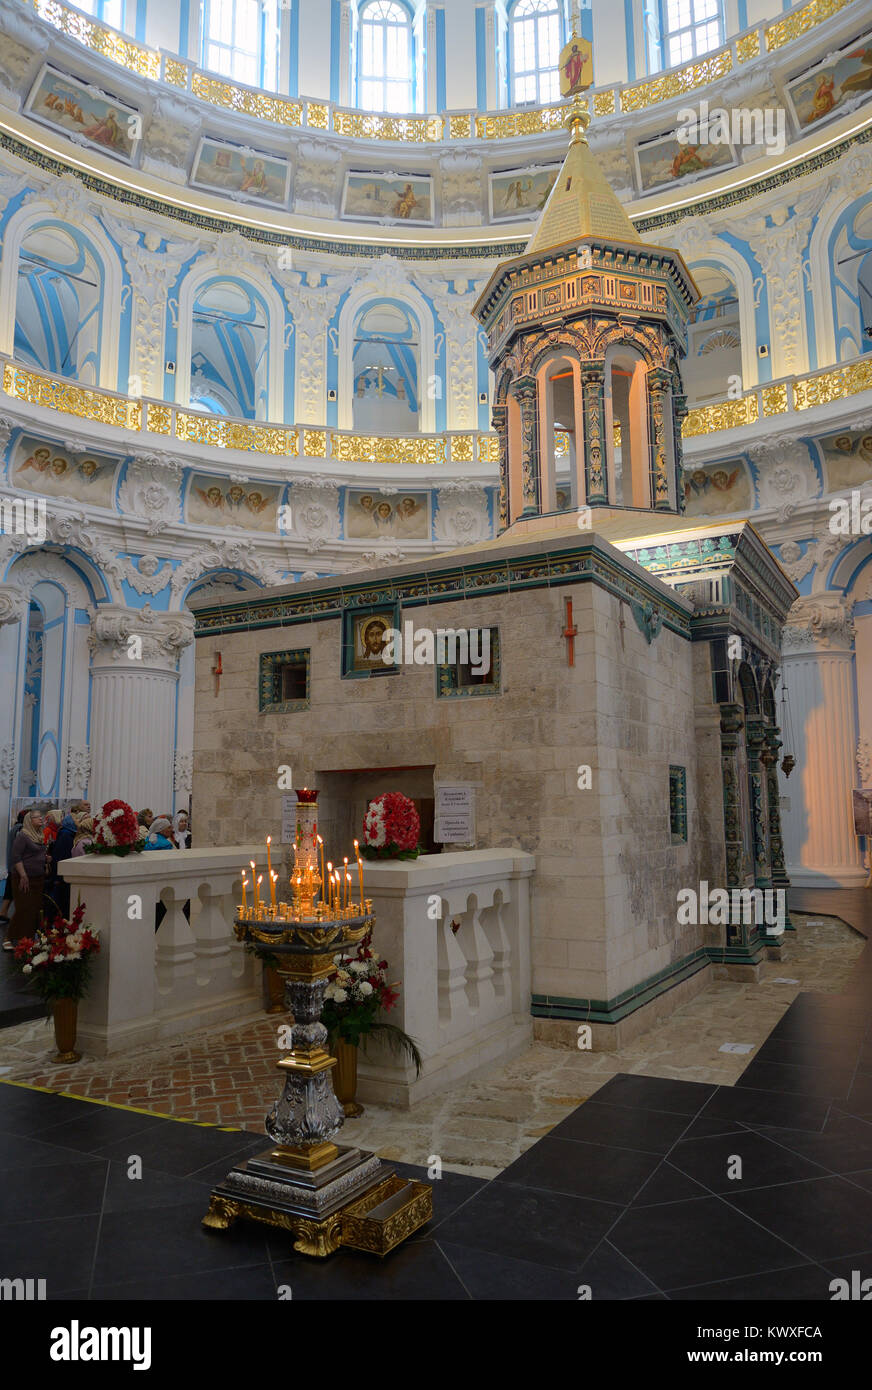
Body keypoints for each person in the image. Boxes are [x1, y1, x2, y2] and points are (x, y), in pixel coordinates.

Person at [8, 809, 47, 947]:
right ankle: (9, 937)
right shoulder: (23, 836)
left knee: (34, 909)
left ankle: (28, 938)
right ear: (29, 821)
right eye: (37, 817)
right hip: (24, 878)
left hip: (38, 877)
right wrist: (23, 874)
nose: (41, 819)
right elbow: (16, 857)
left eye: (41, 816)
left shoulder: (38, 834)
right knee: (23, 908)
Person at [0, 810, 26, 941]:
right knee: (15, 891)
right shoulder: (20, 830)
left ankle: (3, 911)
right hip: (17, 866)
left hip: (12, 865)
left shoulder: (14, 828)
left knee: (9, 890)